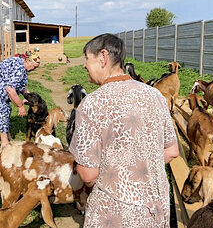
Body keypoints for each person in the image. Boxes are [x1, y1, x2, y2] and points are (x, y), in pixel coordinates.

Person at [69, 33, 179, 228]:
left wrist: (121, 175)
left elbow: (87, 174)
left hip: (115, 214)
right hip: (156, 210)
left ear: (103, 57)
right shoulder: (155, 96)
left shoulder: (92, 105)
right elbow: (171, 151)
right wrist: (138, 169)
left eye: (87, 58)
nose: (85, 65)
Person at [0, 52, 40, 148]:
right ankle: (4, 145)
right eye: (34, 67)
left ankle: (6, 137)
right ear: (28, 62)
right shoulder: (19, 67)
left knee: (6, 110)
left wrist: (28, 98)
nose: (34, 69)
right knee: (2, 111)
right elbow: (10, 89)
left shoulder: (22, 67)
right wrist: (20, 106)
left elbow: (22, 87)